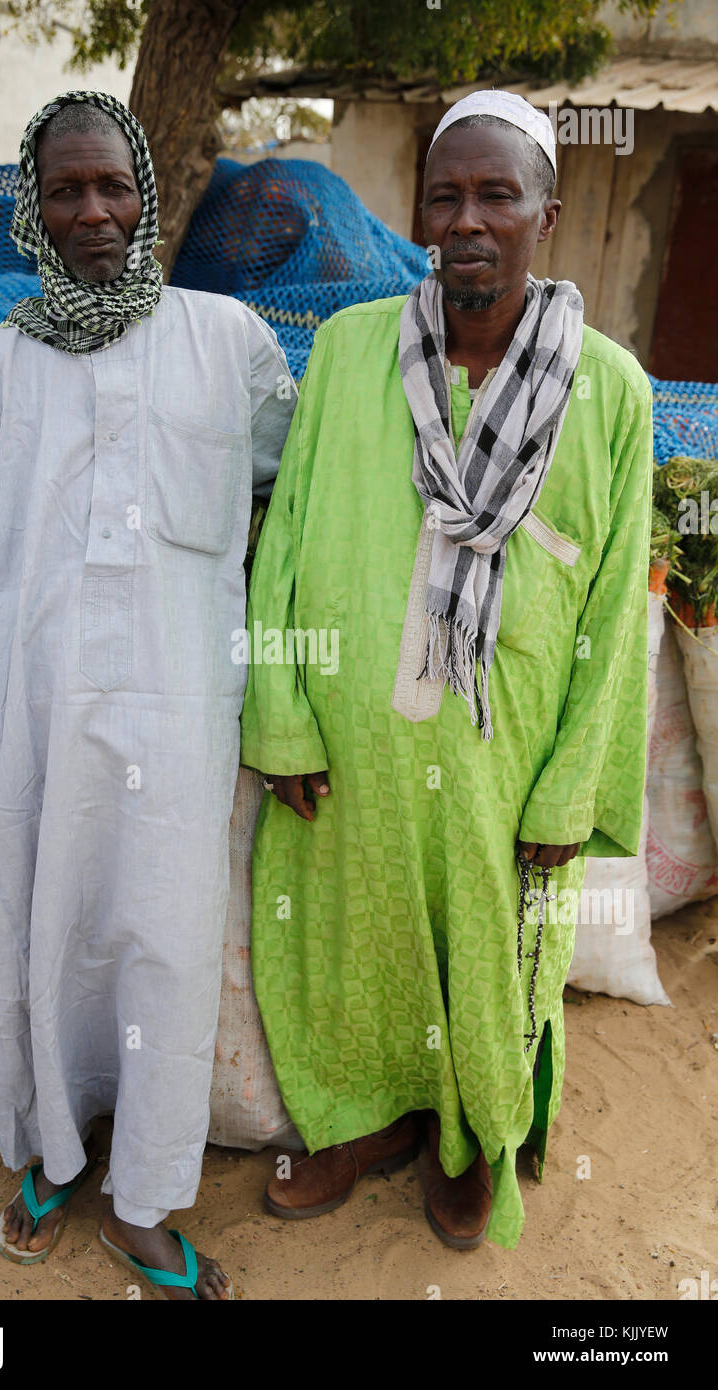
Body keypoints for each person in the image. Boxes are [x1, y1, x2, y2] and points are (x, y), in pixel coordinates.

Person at [0, 89, 296, 1299]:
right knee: (38, 934)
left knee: (162, 946)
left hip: (177, 718)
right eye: (65, 189)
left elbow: (293, 497)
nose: (93, 211)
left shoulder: (231, 344)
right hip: (33, 720)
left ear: (149, 192)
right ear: (34, 207)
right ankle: (49, 1154)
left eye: (112, 184)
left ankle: (143, 1200)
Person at [240, 90, 652, 1251]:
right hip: (349, 743)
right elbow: (287, 539)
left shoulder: (608, 386)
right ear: (419, 212)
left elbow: (618, 603)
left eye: (495, 196)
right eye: (444, 195)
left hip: (503, 751)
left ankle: (467, 1136)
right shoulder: (351, 350)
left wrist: (572, 784)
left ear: (546, 215)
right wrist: (279, 710)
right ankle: (358, 1121)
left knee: (488, 955)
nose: (466, 220)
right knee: (342, 939)